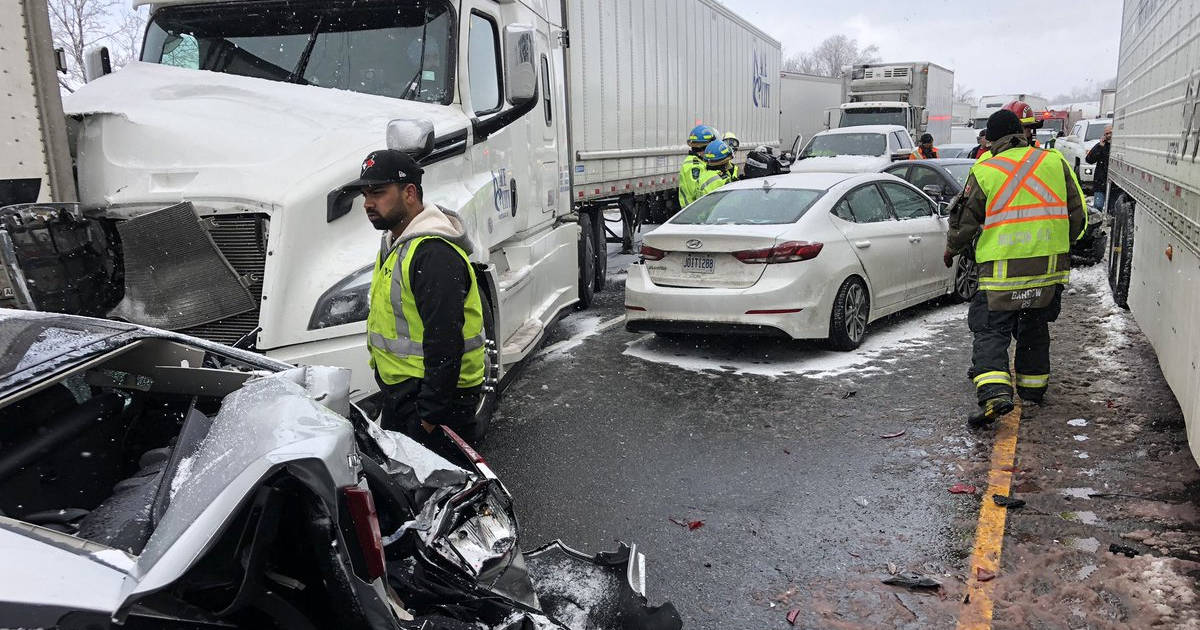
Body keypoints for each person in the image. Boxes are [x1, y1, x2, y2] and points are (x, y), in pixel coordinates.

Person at [943, 109, 1088, 428]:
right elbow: (1078, 215)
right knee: (1034, 326)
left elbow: (964, 221)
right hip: (1047, 270)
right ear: (1021, 134)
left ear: (992, 140)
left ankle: (995, 394)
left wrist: (952, 248)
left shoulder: (985, 169)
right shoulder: (1054, 162)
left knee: (990, 329)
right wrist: (1063, 243)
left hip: (1001, 271)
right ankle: (1033, 390)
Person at [348, 149, 487, 450]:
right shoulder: (396, 244)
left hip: (434, 405)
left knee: (445, 479)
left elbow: (445, 340)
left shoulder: (433, 253)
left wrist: (429, 415)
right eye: (365, 195)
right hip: (406, 396)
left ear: (409, 193)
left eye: (378, 193)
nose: (368, 203)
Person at [679, 125, 718, 207]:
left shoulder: (700, 161)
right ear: (705, 147)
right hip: (694, 210)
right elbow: (697, 193)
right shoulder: (694, 166)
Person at [1085, 125, 1112, 212]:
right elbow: (1089, 159)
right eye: (1106, 133)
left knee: (1111, 210)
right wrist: (1100, 147)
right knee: (1098, 207)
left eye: (1110, 133)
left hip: (1114, 186)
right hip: (1100, 183)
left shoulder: (1118, 147)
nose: (1109, 135)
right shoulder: (1100, 146)